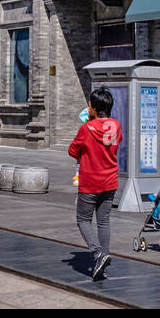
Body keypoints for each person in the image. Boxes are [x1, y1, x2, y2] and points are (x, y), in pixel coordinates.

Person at [67, 87, 121, 281]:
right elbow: (115, 142)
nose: (88, 107)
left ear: (95, 108)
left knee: (83, 219)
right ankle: (102, 265)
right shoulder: (116, 125)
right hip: (110, 181)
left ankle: (98, 254)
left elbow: (72, 151)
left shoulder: (86, 128)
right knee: (104, 221)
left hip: (90, 182)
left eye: (90, 104)